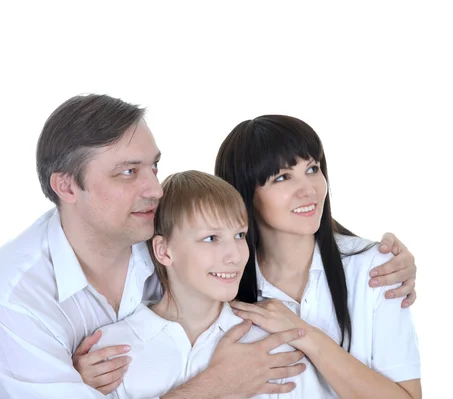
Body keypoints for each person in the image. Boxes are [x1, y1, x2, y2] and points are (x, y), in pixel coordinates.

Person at [0, 94, 416, 399]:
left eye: (154, 166)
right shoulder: (17, 297)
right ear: (66, 186)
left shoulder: (182, 255)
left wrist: (383, 256)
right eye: (128, 172)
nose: (154, 188)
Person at [215, 115, 422, 398]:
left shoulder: (374, 268)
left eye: (312, 169)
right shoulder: (220, 282)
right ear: (244, 193)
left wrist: (304, 334)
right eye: (283, 177)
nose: (309, 190)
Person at [90, 169, 327, 398]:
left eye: (239, 235)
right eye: (211, 238)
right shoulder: (110, 353)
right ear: (164, 251)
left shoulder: (271, 349)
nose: (235, 255)